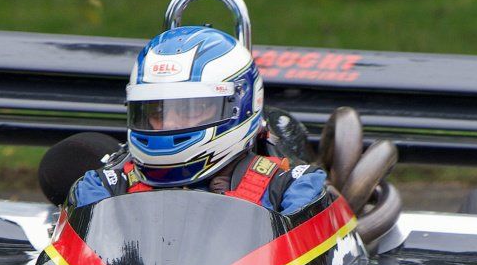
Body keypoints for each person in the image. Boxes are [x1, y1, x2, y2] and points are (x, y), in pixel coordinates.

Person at [68, 24, 326, 213]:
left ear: (240, 107)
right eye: (157, 112)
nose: (169, 123)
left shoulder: (293, 187)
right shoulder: (103, 187)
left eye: (191, 109)